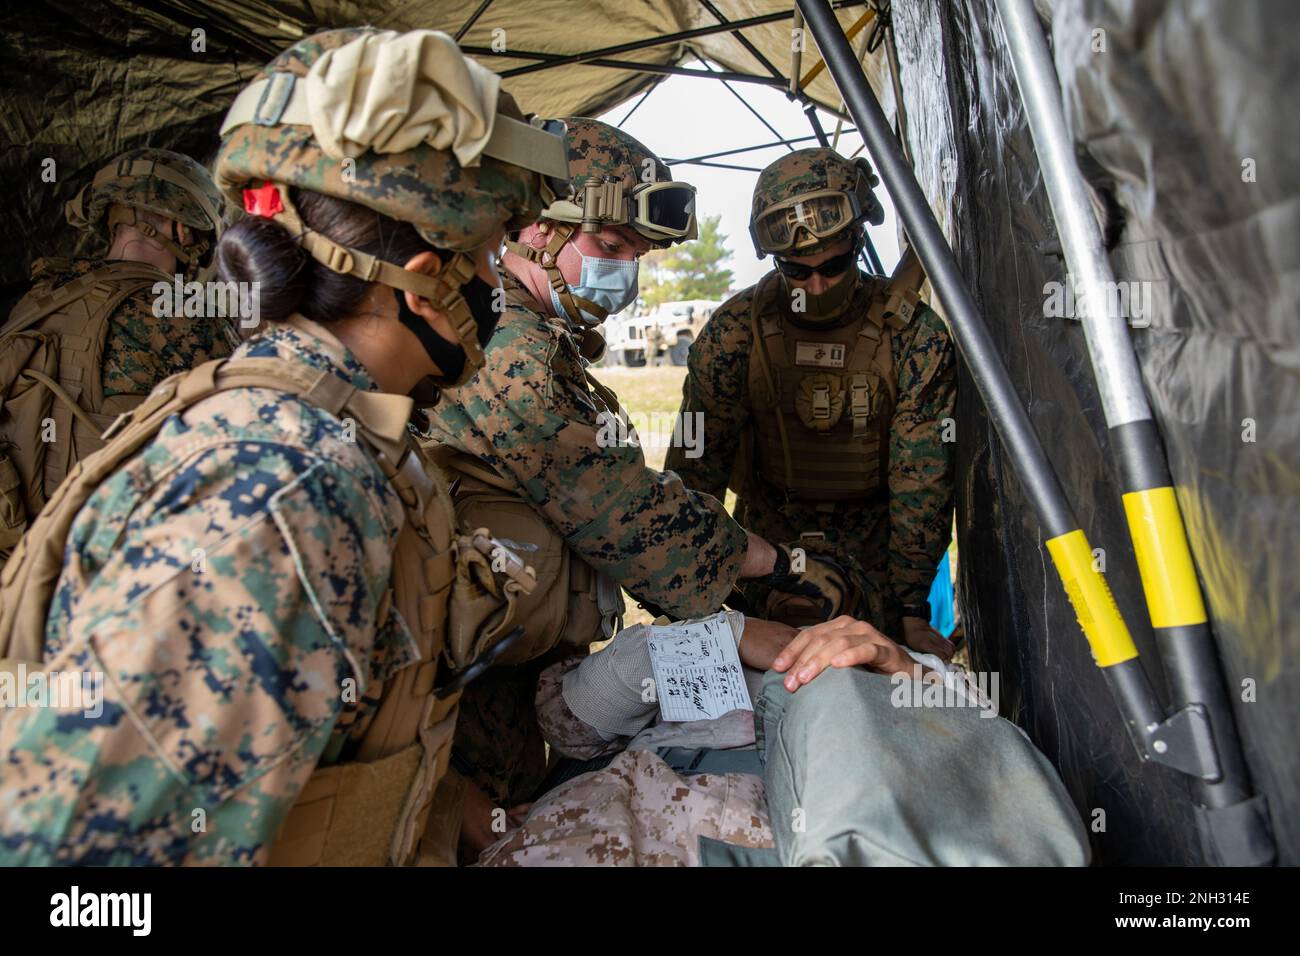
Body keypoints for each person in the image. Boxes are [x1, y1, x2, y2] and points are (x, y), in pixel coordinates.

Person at [0, 26, 568, 866]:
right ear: (422, 278)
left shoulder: (336, 433)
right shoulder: (281, 488)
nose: (495, 285)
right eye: (485, 257)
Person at [421, 118, 849, 857]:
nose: (625, 274)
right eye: (611, 249)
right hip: (456, 705)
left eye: (637, 256)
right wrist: (776, 567)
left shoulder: (540, 347)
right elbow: (630, 518)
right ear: (534, 230)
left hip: (505, 685)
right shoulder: (509, 355)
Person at [477, 613, 1090, 867]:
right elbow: (569, 724)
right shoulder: (701, 664)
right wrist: (725, 633)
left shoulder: (876, 669)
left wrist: (900, 664)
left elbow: (977, 739)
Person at [666, 148, 957, 659]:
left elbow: (922, 482)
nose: (816, 286)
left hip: (876, 558)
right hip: (764, 551)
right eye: (795, 272)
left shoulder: (912, 336)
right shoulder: (735, 333)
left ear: (858, 239)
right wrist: (691, 600)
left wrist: (910, 608)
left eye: (834, 266)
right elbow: (696, 469)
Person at [0, 148, 233, 564]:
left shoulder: (38, 299)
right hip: (111, 577)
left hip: (19, 567)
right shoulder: (185, 316)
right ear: (182, 229)